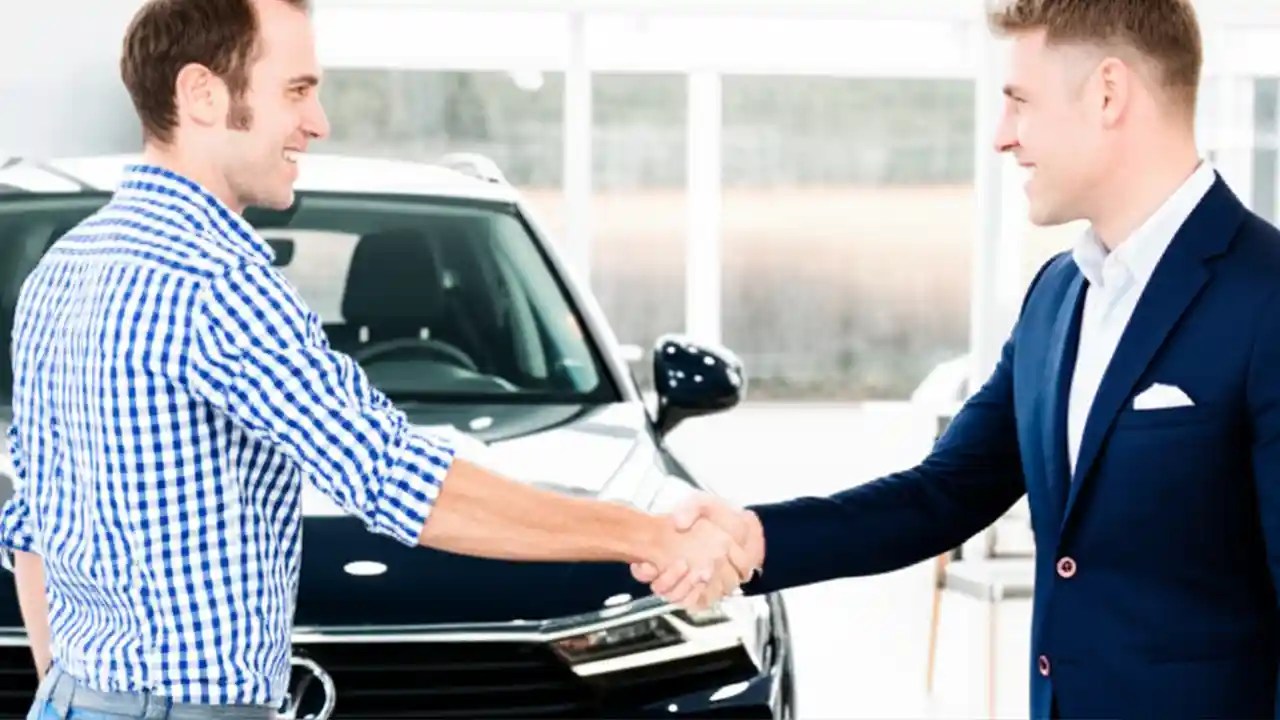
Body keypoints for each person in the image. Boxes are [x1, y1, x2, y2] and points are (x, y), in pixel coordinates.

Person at [0, 0, 754, 717]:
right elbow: (397, 479)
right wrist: (647, 533)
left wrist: (73, 695)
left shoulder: (62, 269)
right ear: (201, 93)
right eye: (296, 90)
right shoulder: (215, 281)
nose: (317, 122)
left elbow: (28, 526)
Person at [637, 0, 1280, 718]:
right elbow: (944, 493)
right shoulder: (1059, 295)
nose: (1002, 138)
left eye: (1020, 103)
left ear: (1107, 93)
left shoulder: (1268, 296)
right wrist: (753, 537)